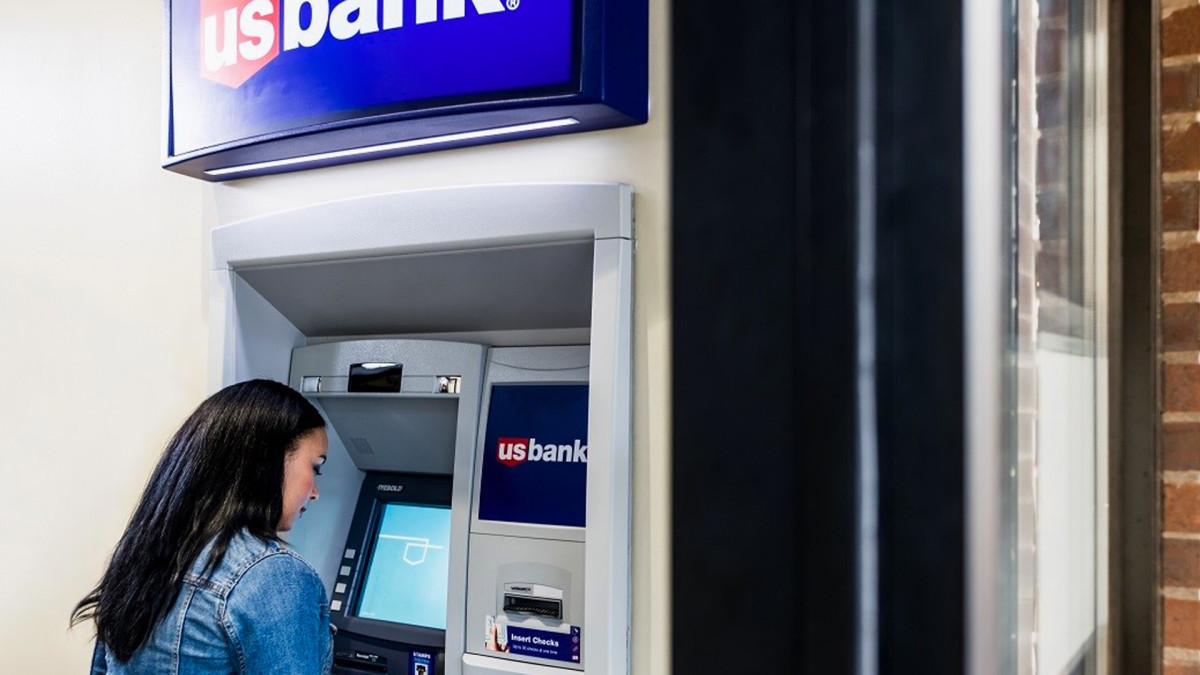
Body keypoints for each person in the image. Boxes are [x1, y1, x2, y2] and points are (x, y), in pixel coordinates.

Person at [72, 379, 333, 674]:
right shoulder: (272, 575)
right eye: (315, 467)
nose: (315, 492)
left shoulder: (143, 551)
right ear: (268, 461)